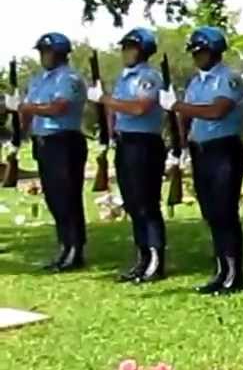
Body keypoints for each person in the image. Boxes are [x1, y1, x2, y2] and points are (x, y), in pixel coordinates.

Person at [164, 26, 243, 294]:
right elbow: (187, 116)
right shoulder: (197, 82)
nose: (197, 57)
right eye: (195, 53)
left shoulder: (229, 79)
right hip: (201, 151)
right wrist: (180, 143)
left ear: (215, 52)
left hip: (224, 149)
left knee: (225, 212)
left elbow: (216, 111)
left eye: (201, 52)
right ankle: (221, 269)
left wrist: (177, 106)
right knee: (211, 212)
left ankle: (234, 272)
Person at [88, 28, 166, 282]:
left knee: (147, 204)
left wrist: (105, 99)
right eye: (124, 48)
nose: (125, 52)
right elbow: (116, 112)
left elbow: (139, 108)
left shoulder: (148, 77)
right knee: (132, 204)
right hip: (126, 142)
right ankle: (142, 257)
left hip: (145, 143)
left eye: (130, 48)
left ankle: (156, 258)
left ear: (142, 51)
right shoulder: (124, 78)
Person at [5, 33, 87, 270]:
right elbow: (29, 111)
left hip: (64, 141)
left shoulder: (69, 78)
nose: (43, 56)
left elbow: (59, 107)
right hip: (43, 143)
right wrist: (17, 132)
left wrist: (24, 106)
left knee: (68, 196)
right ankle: (64, 245)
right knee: (54, 198)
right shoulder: (39, 80)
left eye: (46, 52)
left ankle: (75, 248)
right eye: (41, 52)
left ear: (60, 54)